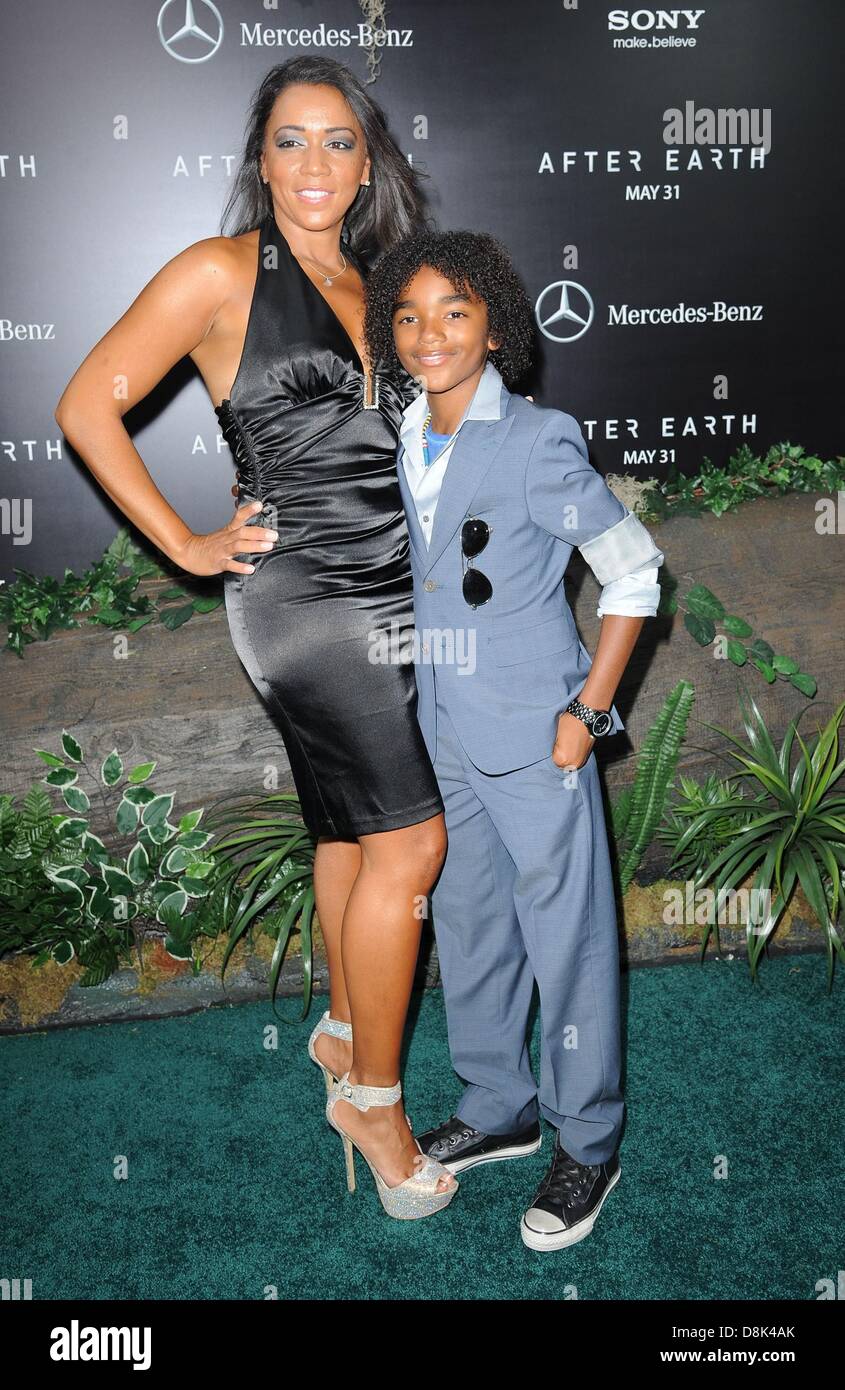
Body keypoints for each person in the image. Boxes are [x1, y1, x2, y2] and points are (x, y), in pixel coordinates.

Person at [53, 57, 458, 1221]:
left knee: (352, 824)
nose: (315, 165)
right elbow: (88, 404)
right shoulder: (218, 272)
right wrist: (183, 542)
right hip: (302, 597)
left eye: (339, 142)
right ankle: (373, 1100)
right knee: (412, 846)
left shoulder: (380, 280)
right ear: (258, 158)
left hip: (393, 585)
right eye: (291, 141)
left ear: (368, 159)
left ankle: (339, 1029)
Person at [362, 229, 665, 1248]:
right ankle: (497, 1104)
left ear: (493, 324)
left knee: (566, 939)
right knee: (469, 921)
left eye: (453, 311)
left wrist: (585, 712)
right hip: (436, 731)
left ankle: (588, 1142)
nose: (428, 333)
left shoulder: (538, 438)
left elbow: (631, 575)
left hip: (539, 733)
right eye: (407, 315)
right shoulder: (402, 431)